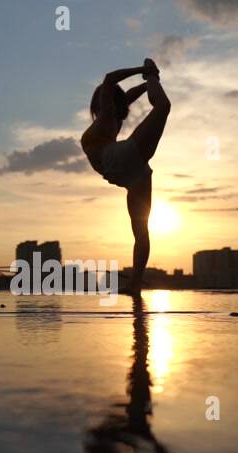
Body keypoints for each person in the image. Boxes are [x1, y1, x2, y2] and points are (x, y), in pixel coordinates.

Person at [81, 59, 171, 295]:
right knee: (141, 230)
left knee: (141, 230)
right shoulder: (110, 116)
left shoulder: (108, 117)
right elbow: (117, 86)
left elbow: (117, 84)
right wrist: (147, 75)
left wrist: (148, 76)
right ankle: (134, 284)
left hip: (121, 167)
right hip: (130, 167)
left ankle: (134, 284)